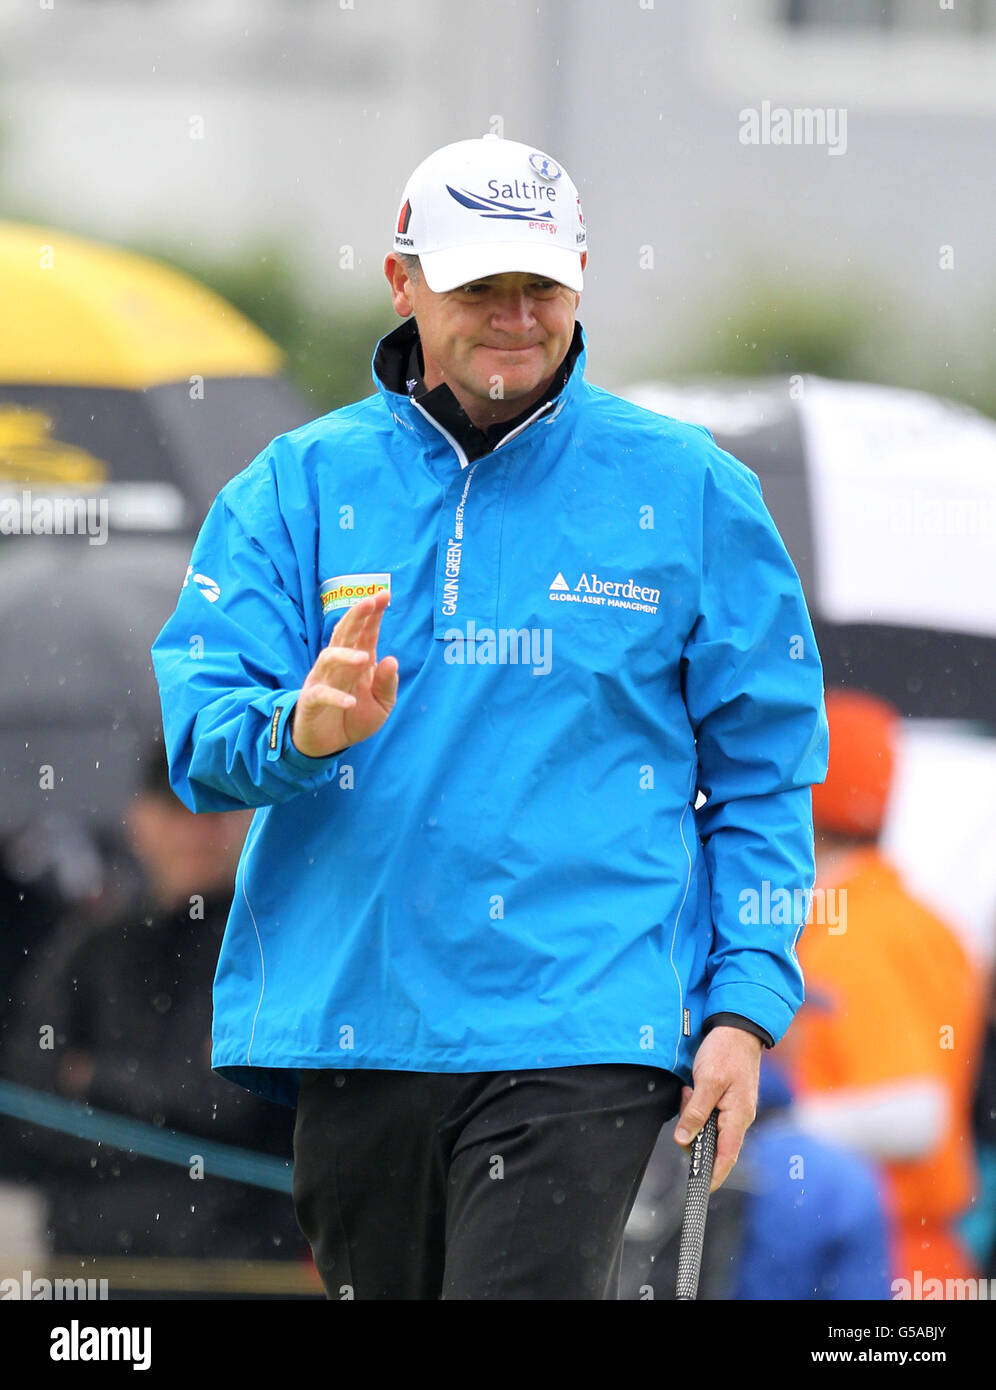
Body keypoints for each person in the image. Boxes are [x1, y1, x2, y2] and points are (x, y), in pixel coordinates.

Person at [151, 133, 829, 1300]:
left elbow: (766, 773)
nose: (515, 316)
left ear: (578, 278)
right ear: (402, 282)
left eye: (542, 287)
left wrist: (747, 1003)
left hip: (582, 1028)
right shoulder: (294, 486)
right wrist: (302, 730)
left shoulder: (694, 490)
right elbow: (201, 739)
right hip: (356, 1024)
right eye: (479, 288)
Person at [8, 742, 308, 1269]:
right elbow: (30, 1107)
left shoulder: (270, 947)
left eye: (214, 809)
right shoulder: (87, 948)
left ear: (244, 821)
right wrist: (163, 1110)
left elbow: (232, 1102)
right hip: (95, 1264)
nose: (196, 830)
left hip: (240, 1267)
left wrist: (91, 1078)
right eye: (176, 810)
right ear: (138, 822)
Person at [786, 688, 986, 1293]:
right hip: (906, 1259)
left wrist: (769, 1129)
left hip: (878, 1265)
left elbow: (914, 1113)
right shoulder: (916, 920)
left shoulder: (854, 934)